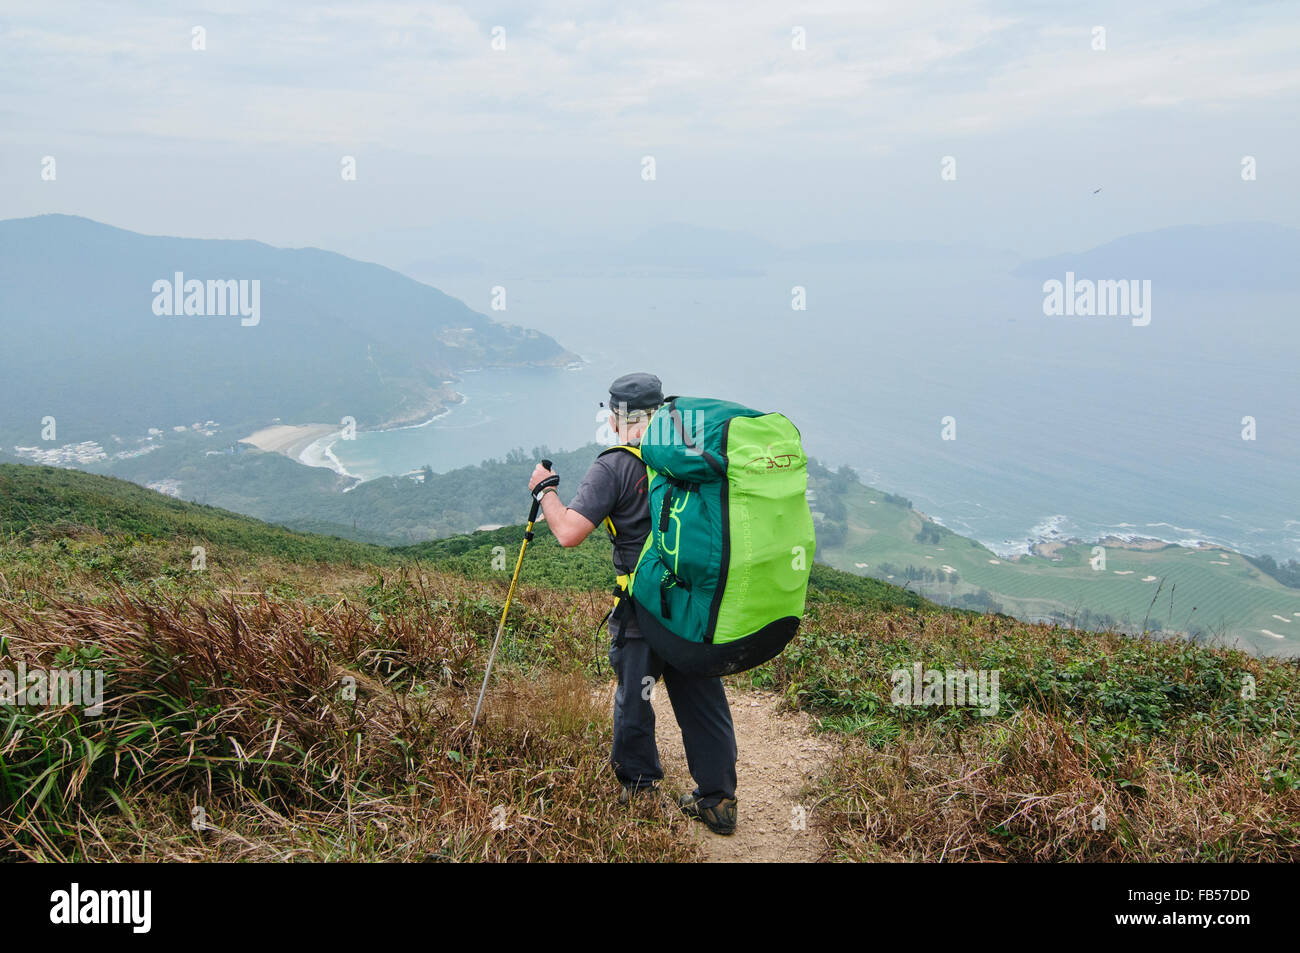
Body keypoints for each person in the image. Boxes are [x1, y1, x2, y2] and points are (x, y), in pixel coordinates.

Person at [528, 372, 739, 835]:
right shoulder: (691, 458)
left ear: (613, 418)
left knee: (636, 698)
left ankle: (640, 791)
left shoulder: (614, 467)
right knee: (703, 700)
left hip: (642, 608)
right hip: (690, 609)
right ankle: (719, 800)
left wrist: (545, 491)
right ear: (662, 412)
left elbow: (568, 533)